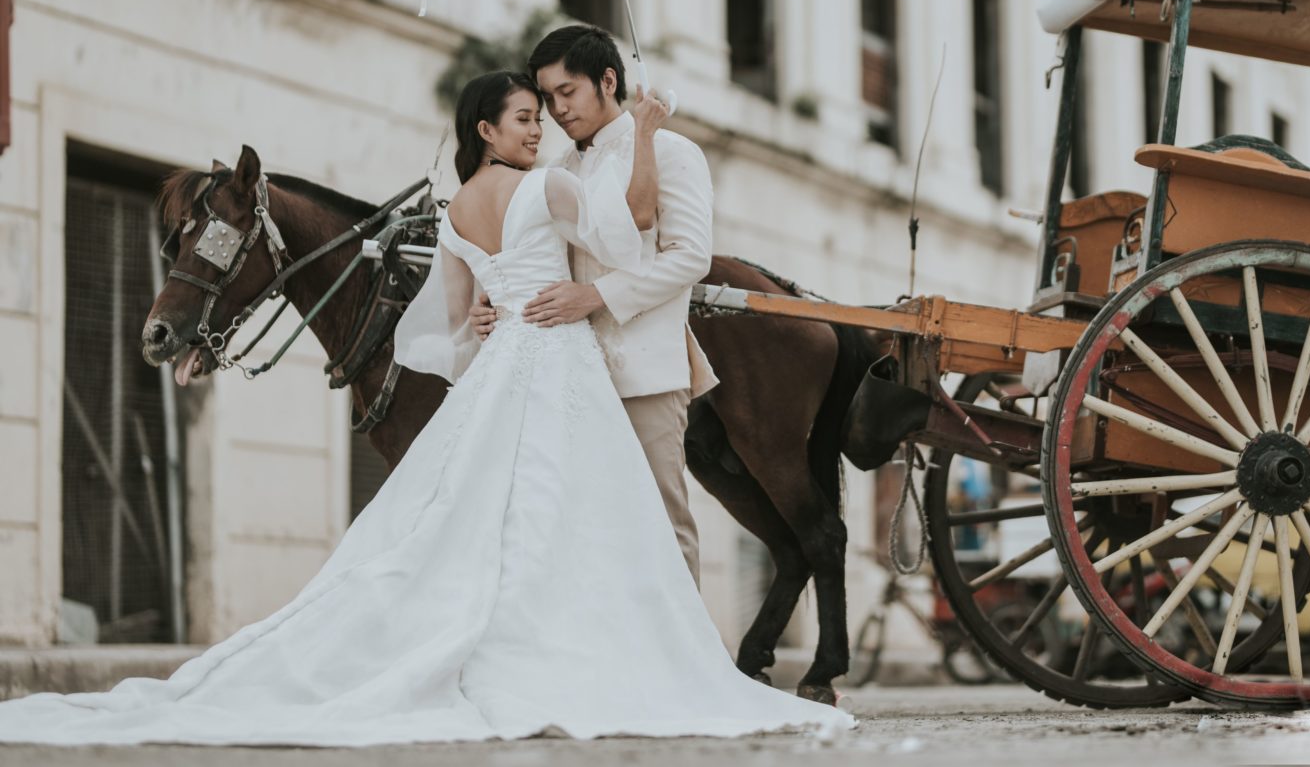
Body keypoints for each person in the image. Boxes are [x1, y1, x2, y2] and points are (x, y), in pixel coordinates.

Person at [0, 71, 851, 746]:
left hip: (506, 366)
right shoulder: (548, 188)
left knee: (495, 519)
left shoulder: (453, 215)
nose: (539, 128)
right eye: (523, 115)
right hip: (559, 361)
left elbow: (435, 331)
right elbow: (629, 231)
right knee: (586, 517)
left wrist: (488, 321)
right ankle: (611, 657)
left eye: (541, 114)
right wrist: (651, 131)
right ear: (487, 129)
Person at [468, 24, 715, 586]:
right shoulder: (557, 173)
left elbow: (691, 257)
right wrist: (494, 304)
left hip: (645, 373)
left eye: (567, 92)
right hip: (567, 377)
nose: (555, 111)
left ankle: (683, 668)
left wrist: (596, 295)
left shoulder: (673, 152)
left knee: (661, 523)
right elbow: (536, 259)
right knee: (582, 532)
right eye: (546, 97)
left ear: (608, 80)